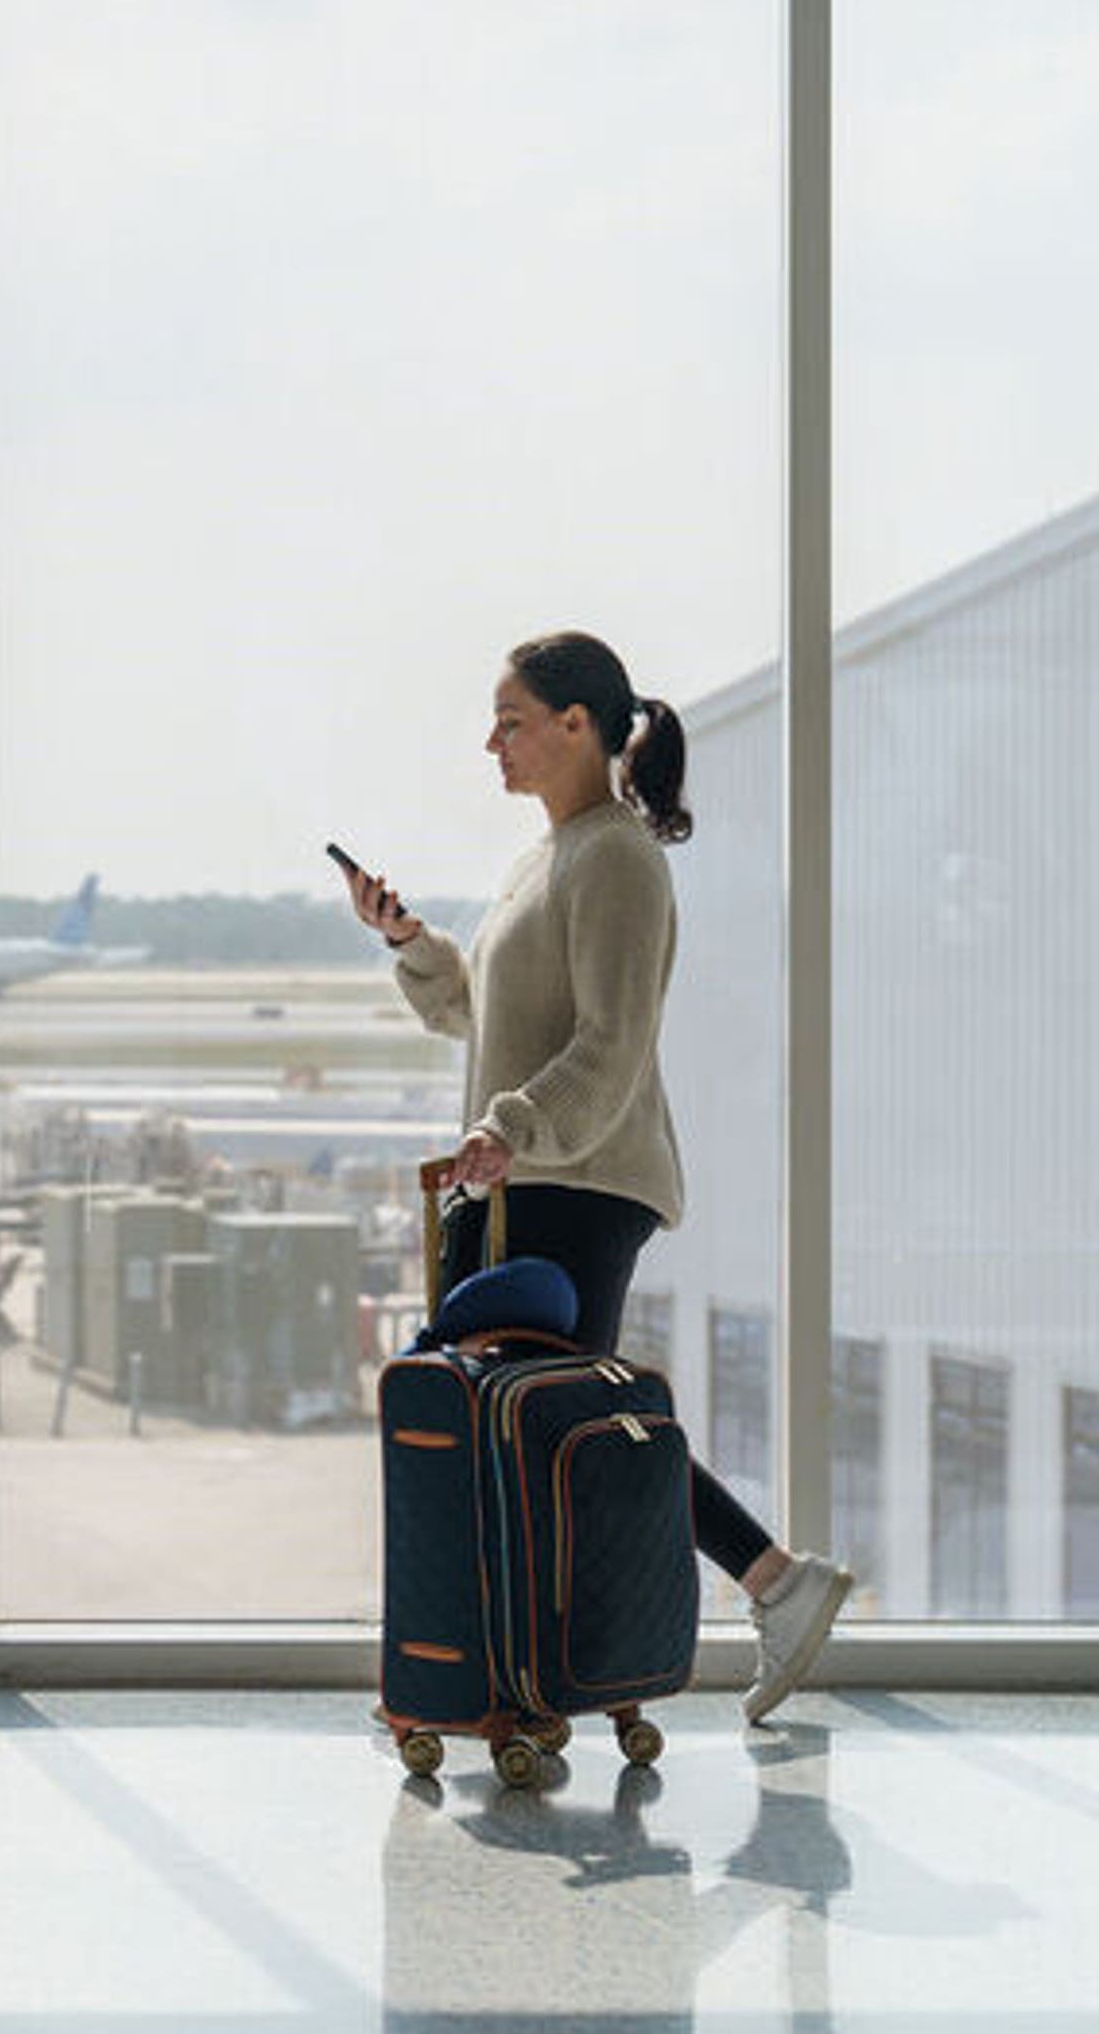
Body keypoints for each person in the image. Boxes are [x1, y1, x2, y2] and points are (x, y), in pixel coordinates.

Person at [343, 627, 853, 1725]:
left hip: (575, 1182)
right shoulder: (548, 856)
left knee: (565, 1423)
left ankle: (591, 1654)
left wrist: (514, 1129)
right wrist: (412, 945)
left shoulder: (617, 854)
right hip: (524, 1178)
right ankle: (758, 1588)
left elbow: (612, 1045)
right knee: (557, 1422)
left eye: (512, 719)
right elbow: (488, 1020)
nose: (492, 742)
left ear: (579, 725)